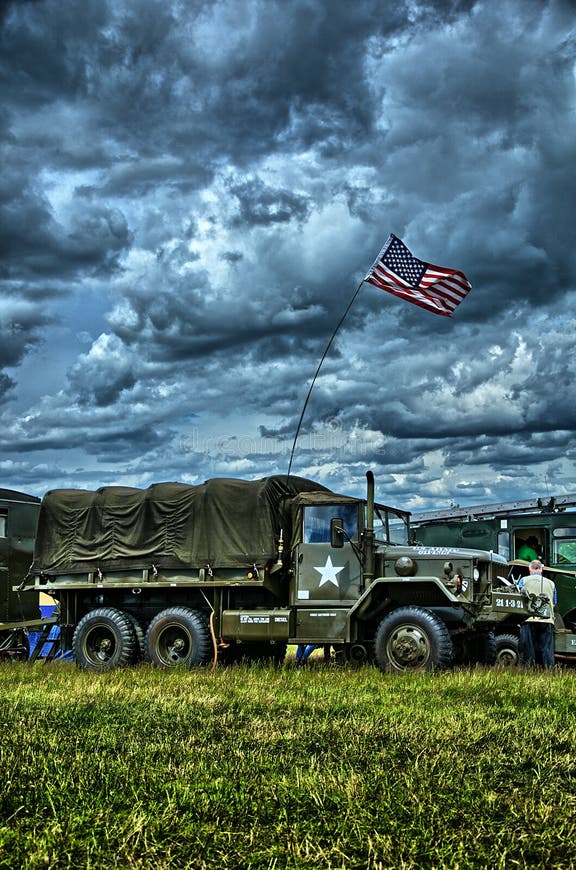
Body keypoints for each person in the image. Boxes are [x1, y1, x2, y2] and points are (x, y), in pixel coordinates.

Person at [518, 559, 557, 668]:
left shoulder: (523, 581)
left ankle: (529, 670)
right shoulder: (551, 584)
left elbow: (518, 598)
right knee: (546, 648)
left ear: (530, 569)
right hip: (547, 620)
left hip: (528, 619)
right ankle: (548, 671)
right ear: (541, 569)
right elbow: (553, 603)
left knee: (528, 648)